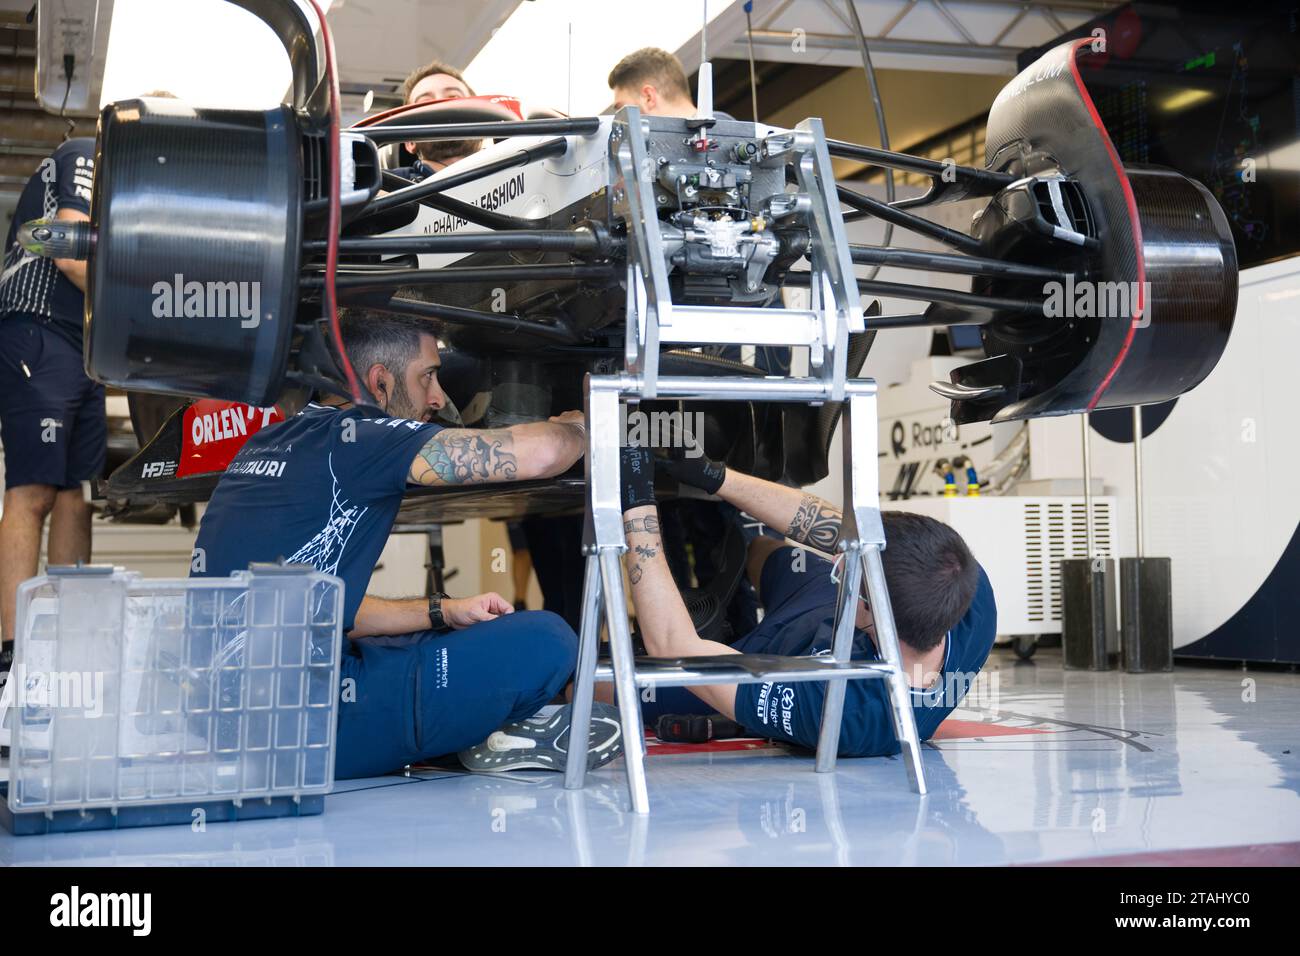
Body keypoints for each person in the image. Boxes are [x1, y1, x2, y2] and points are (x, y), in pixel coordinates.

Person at [189, 311, 622, 777]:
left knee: (449, 635)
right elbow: (541, 455)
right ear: (380, 383)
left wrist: (443, 610)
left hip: (232, 721)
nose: (437, 397)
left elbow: (326, 609)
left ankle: (469, 733)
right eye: (428, 377)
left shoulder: (271, 440)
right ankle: (484, 735)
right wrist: (584, 424)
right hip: (304, 728)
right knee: (548, 640)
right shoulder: (366, 436)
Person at [611, 441, 997, 756]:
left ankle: (722, 637)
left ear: (868, 603)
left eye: (846, 567)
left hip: (794, 667)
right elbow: (842, 532)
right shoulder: (969, 592)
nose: (838, 558)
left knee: (605, 688)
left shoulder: (843, 712)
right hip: (831, 617)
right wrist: (716, 477)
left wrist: (636, 504)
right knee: (762, 549)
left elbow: (670, 644)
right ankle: (737, 593)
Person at [0, 134, 99, 663]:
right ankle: (12, 655)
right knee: (33, 492)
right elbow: (67, 249)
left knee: (77, 498)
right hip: (39, 330)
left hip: (85, 346)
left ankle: (70, 648)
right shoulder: (88, 153)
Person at [395, 59, 481, 177]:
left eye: (453, 97)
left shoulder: (511, 170)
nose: (441, 105)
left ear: (481, 118)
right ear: (410, 142)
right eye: (425, 103)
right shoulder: (384, 185)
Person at [608, 47, 703, 118]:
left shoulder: (707, 140)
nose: (619, 120)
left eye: (622, 109)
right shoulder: (714, 136)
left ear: (648, 97)